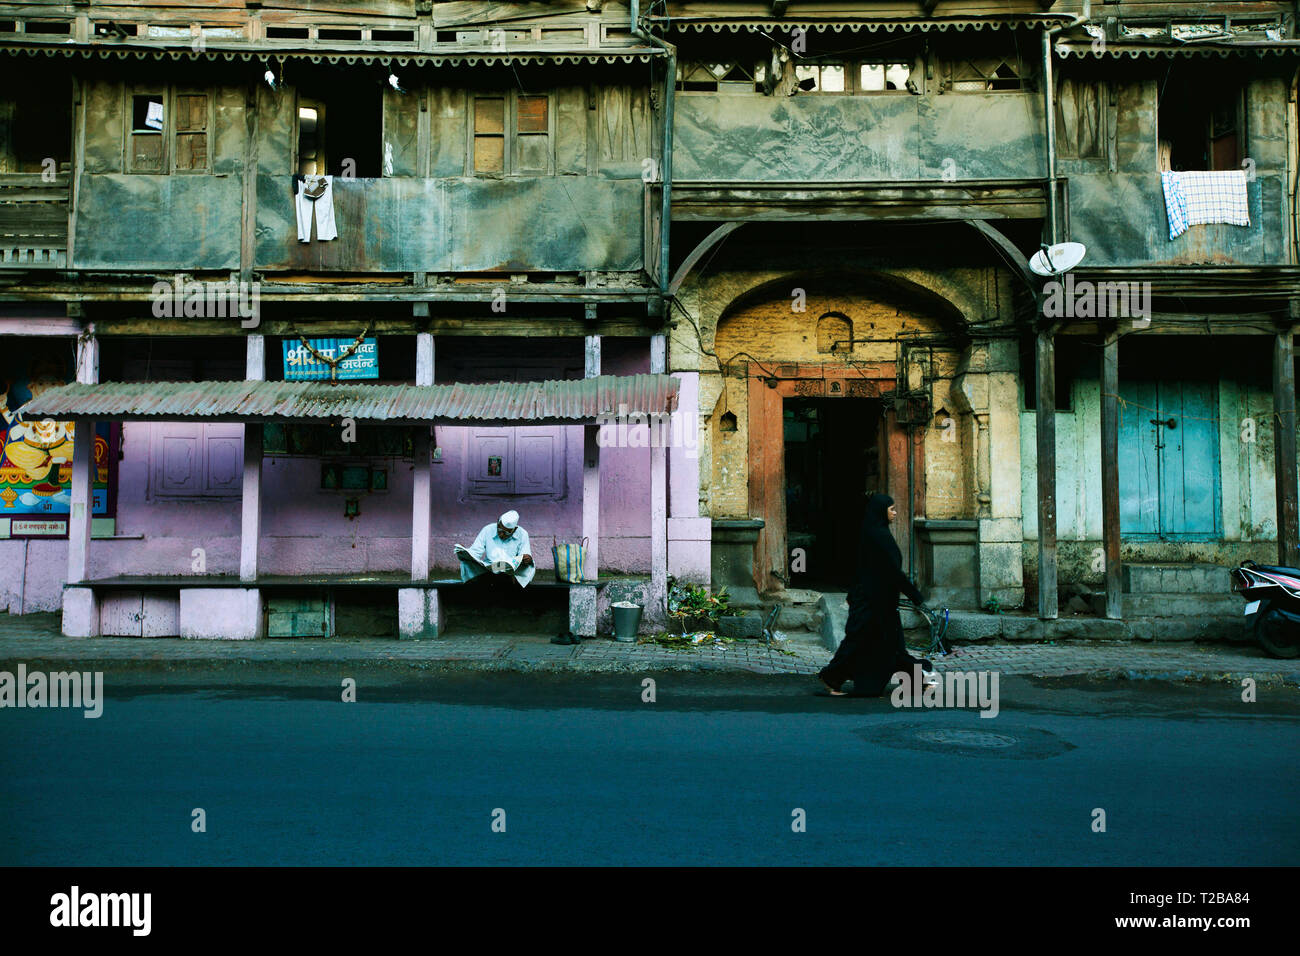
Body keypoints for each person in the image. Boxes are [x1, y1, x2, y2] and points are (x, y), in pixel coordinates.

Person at [817, 493, 935, 697]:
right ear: (881, 511)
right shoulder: (878, 536)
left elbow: (865, 568)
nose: (895, 513)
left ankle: (917, 682)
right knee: (861, 641)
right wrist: (915, 595)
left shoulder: (873, 532)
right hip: (872, 602)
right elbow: (891, 572)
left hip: (879, 600)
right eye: (892, 509)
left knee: (890, 645)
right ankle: (831, 676)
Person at [455, 510, 535, 588]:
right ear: (497, 522)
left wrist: (527, 558)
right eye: (499, 530)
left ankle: (514, 583)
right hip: (490, 568)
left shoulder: (522, 533)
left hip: (510, 570)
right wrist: (465, 552)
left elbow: (525, 554)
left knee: (529, 566)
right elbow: (475, 552)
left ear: (515, 529)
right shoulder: (487, 530)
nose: (501, 534)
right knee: (466, 563)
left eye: (506, 533)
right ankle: (473, 587)